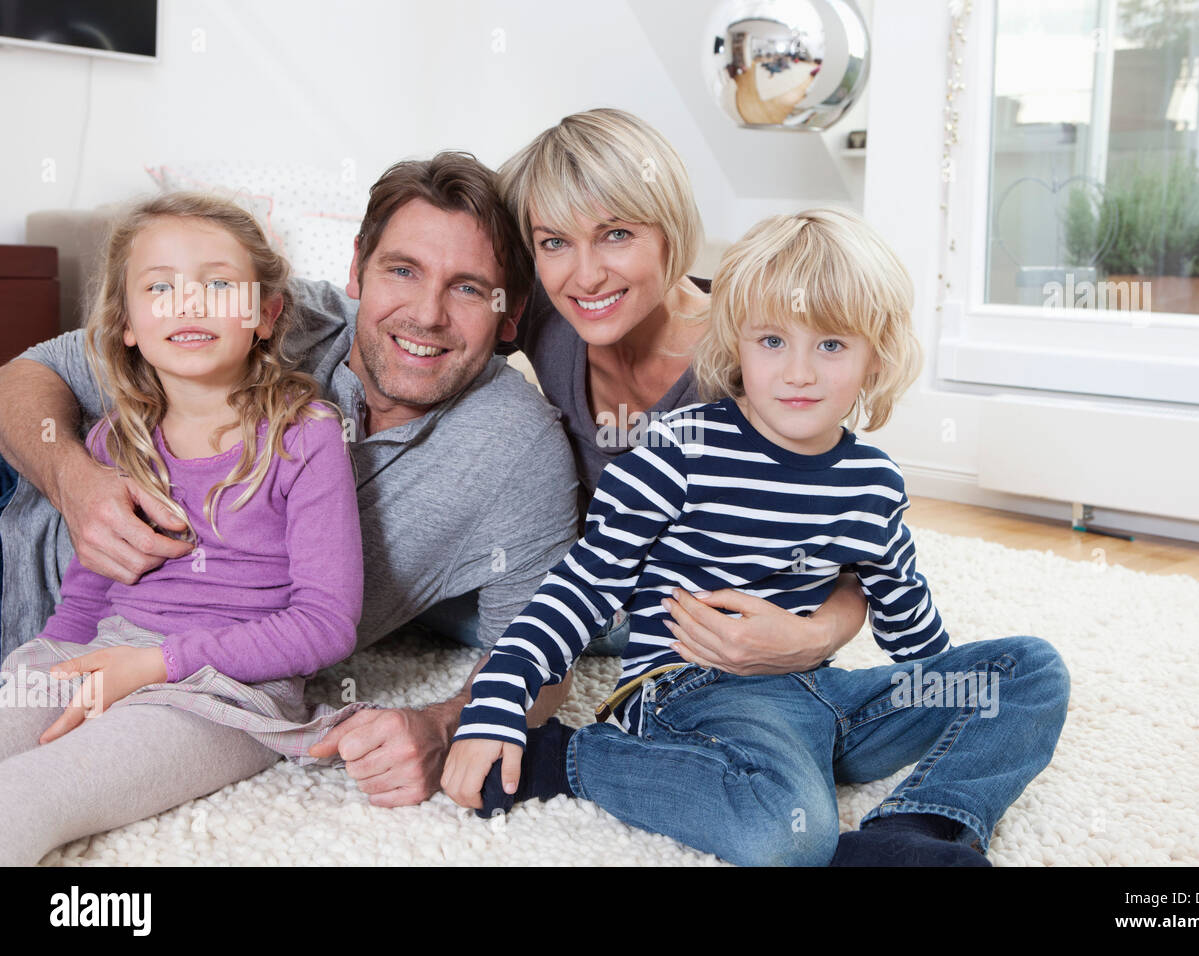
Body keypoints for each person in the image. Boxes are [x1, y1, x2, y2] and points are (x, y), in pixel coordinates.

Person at [441, 209, 1071, 867]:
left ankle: (916, 828)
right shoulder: (678, 450)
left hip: (823, 698)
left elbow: (913, 636)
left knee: (1031, 668)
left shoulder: (873, 482)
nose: (798, 373)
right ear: (736, 343)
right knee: (790, 836)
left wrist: (947, 697)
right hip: (692, 696)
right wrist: (497, 703)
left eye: (830, 345)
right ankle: (567, 759)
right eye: (772, 341)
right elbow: (581, 586)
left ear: (873, 358)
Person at [0, 153, 580, 807]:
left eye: (468, 288)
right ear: (357, 266)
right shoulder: (264, 314)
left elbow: (539, 653)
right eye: (403, 270)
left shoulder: (516, 449)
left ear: (510, 314)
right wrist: (73, 481)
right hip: (28, 527)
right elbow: (24, 377)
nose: (427, 313)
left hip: (186, 674)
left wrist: (443, 726)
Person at [0, 192, 370, 866]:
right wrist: (50, 670)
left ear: (264, 314)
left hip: (224, 693)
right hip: (112, 654)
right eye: (160, 287)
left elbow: (325, 623)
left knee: (24, 797)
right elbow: (86, 598)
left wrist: (155, 666)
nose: (188, 303)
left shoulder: (306, 436)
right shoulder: (115, 438)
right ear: (128, 324)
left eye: (218, 284)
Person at [495, 106, 869, 677]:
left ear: (671, 230)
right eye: (554, 242)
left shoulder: (751, 352)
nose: (586, 275)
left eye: (616, 234)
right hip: (581, 594)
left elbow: (857, 542)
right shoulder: (547, 313)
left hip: (695, 623)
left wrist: (812, 637)